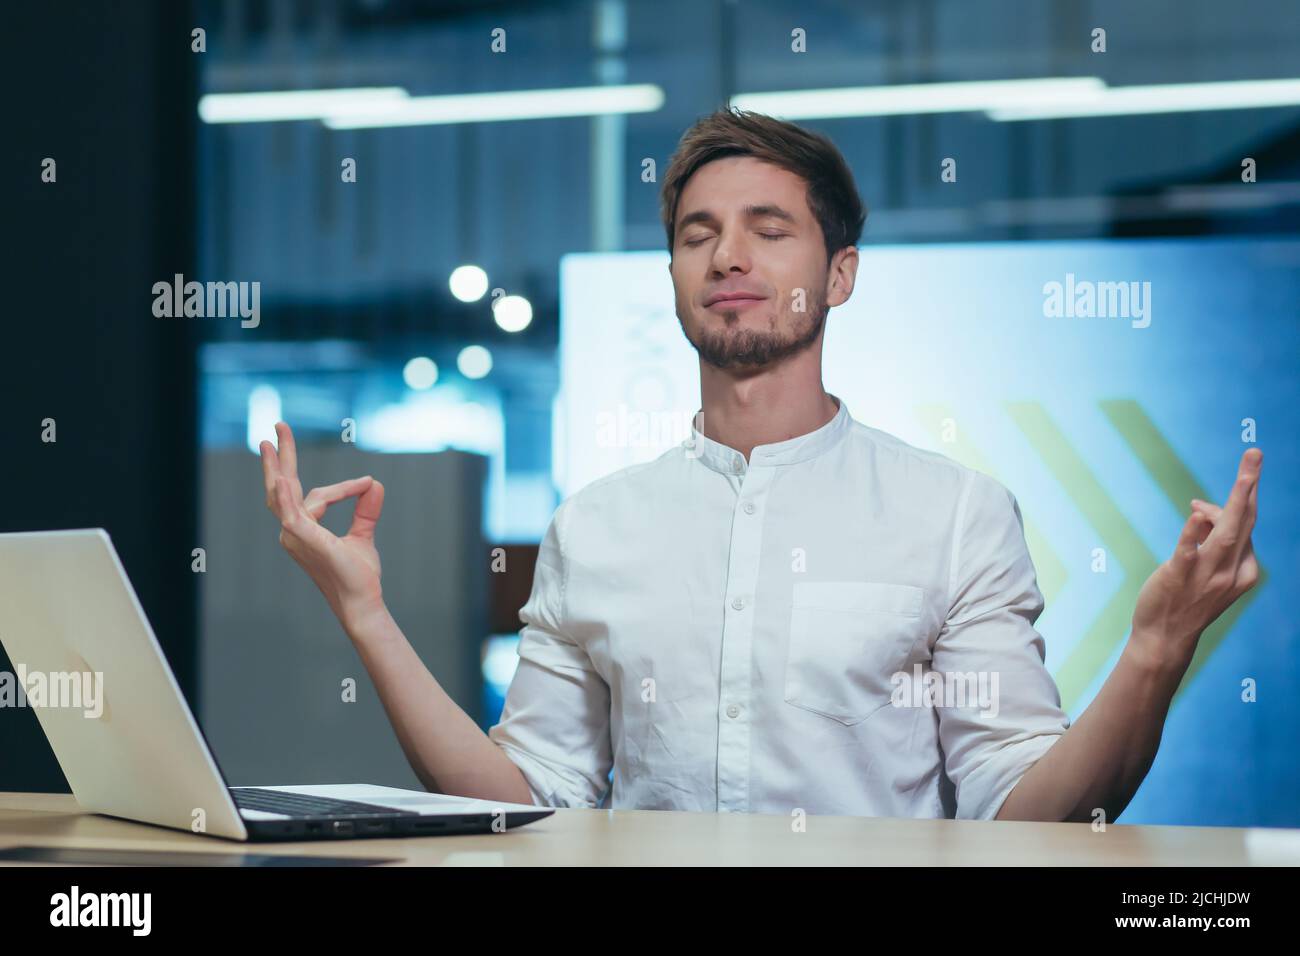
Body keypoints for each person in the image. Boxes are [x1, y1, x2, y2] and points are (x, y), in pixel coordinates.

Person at [259, 107, 1262, 822]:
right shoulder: (595, 525)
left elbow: (1024, 809)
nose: (726, 256)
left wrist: (1153, 651)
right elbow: (526, 804)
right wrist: (367, 616)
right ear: (673, 279)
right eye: (699, 235)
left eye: (766, 229)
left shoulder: (953, 512)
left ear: (839, 274)